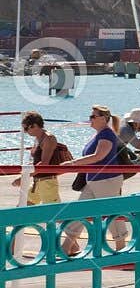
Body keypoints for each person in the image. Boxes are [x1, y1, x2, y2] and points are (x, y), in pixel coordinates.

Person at [59, 106, 130, 254]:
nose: (90, 119)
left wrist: (73, 163)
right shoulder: (99, 134)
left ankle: (122, 248)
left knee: (112, 213)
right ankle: (67, 247)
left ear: (103, 119)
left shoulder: (106, 135)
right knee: (81, 210)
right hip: (95, 181)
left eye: (93, 116)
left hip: (106, 180)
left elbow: (99, 156)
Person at [20, 111, 67, 205]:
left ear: (35, 125)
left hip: (47, 182)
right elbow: (35, 161)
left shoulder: (48, 138)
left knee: (54, 214)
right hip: (37, 182)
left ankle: (75, 220)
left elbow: (44, 163)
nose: (25, 131)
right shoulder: (38, 138)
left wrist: (25, 176)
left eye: (26, 128)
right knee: (23, 207)